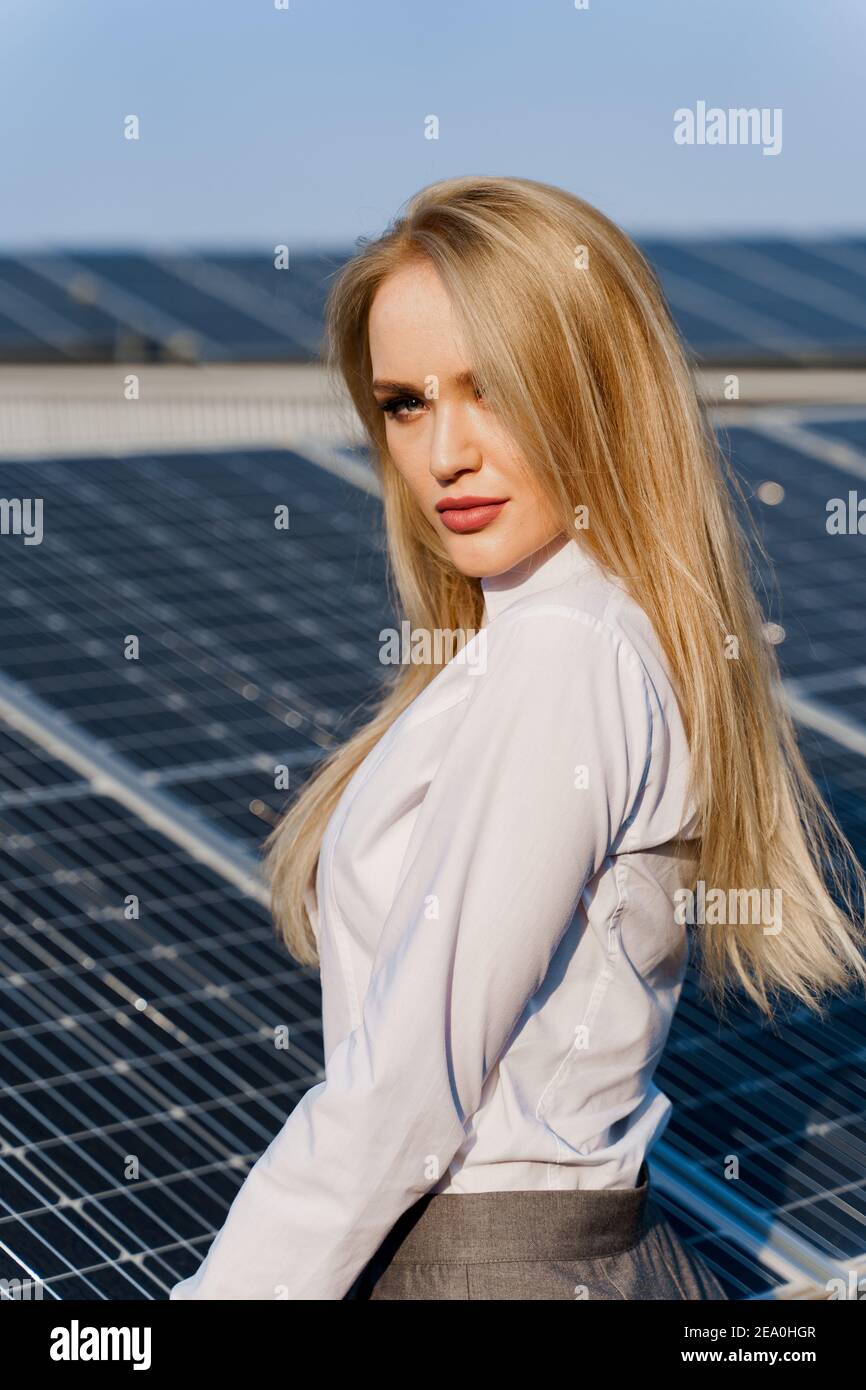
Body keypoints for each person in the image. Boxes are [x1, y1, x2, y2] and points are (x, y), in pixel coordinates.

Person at [169, 176, 866, 1301]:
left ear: (592, 389)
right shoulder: (548, 643)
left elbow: (403, 1089)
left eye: (490, 390)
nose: (443, 452)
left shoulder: (568, 651)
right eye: (403, 402)